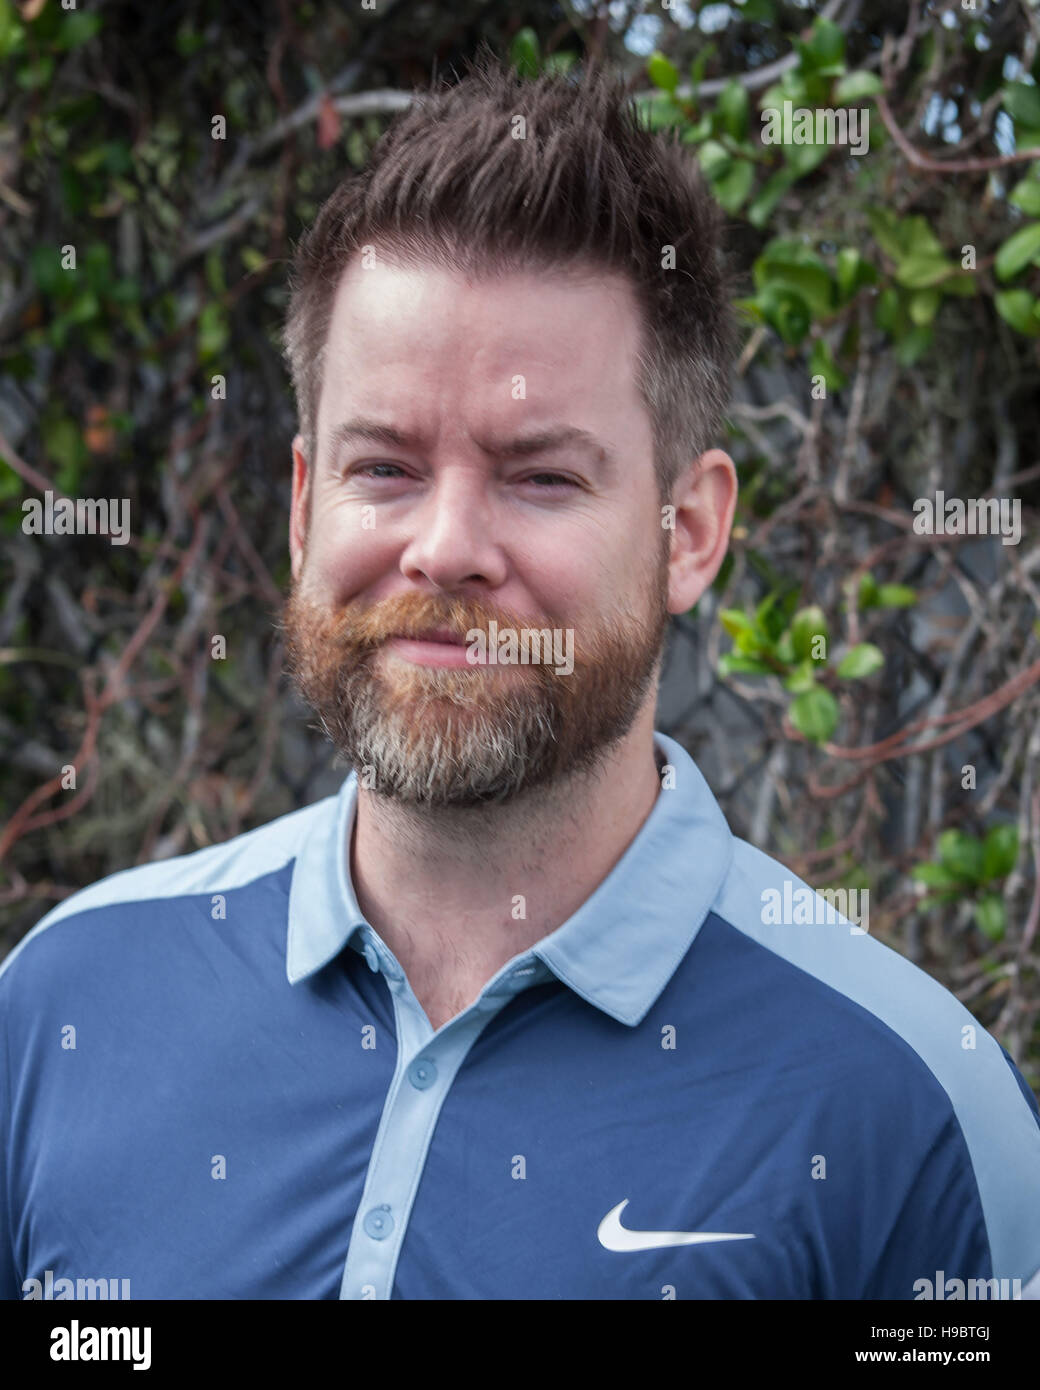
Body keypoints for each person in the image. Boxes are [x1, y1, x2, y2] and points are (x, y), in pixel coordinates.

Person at [2, 53, 1038, 1303]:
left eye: (541, 476)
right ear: (298, 504)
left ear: (689, 532)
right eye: (381, 466)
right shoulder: (64, 1002)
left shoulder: (910, 1110)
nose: (443, 548)